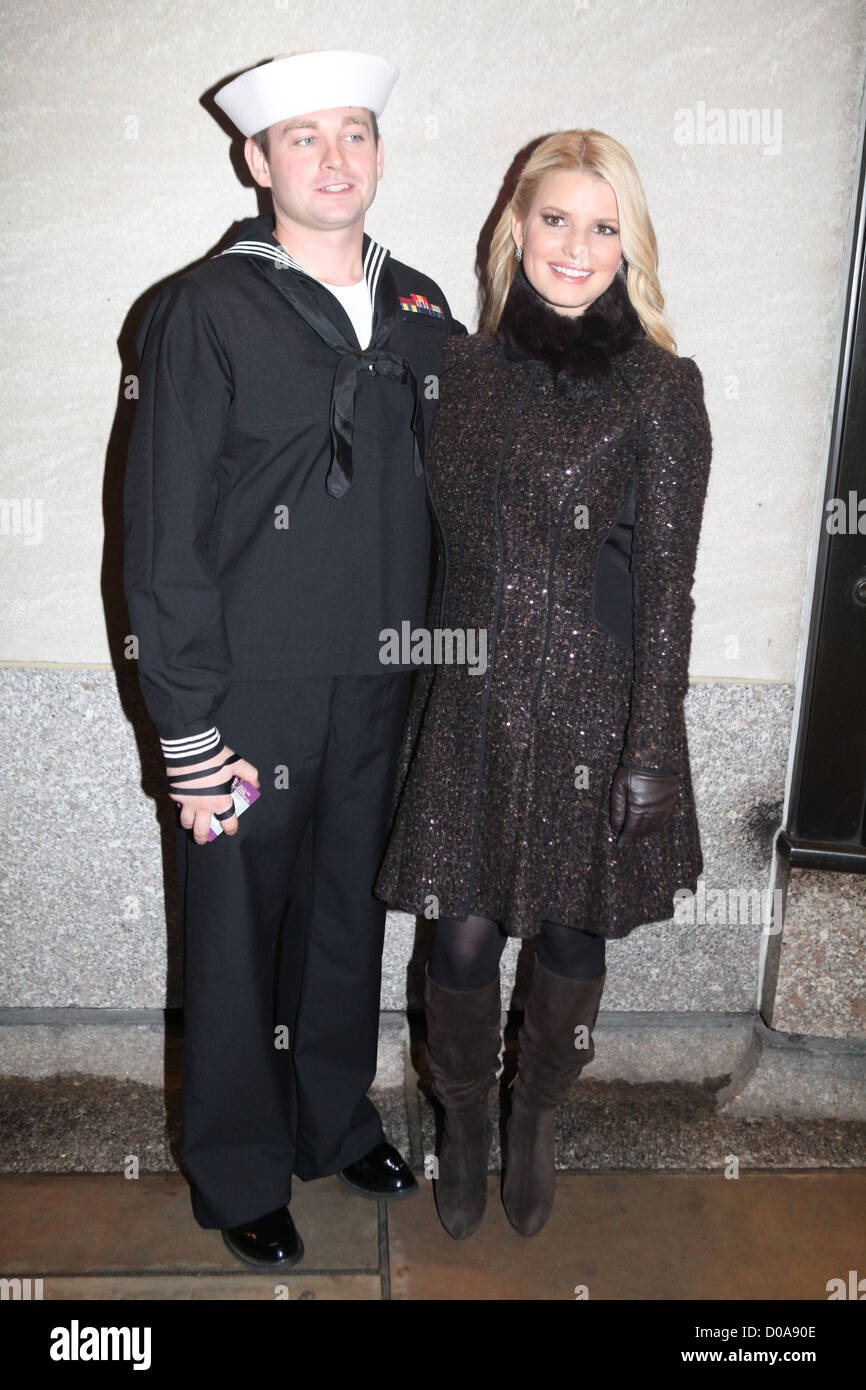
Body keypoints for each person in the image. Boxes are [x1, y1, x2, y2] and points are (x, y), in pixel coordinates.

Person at [123, 49, 464, 1270]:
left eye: (356, 133)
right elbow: (160, 534)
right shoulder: (205, 308)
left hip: (383, 683)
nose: (334, 158)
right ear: (257, 160)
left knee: (345, 918)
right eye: (305, 138)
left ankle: (331, 1114)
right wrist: (188, 729)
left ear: (378, 153)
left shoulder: (424, 307)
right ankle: (236, 1164)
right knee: (230, 933)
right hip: (247, 691)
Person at [374, 129, 712, 1239]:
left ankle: (535, 1120)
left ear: (630, 248)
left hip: (594, 706)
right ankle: (462, 1121)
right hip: (469, 703)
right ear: (516, 228)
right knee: (459, 938)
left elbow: (668, 583)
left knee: (572, 935)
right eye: (557, 219)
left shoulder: (660, 388)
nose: (577, 245)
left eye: (604, 226)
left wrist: (652, 742)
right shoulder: (456, 371)